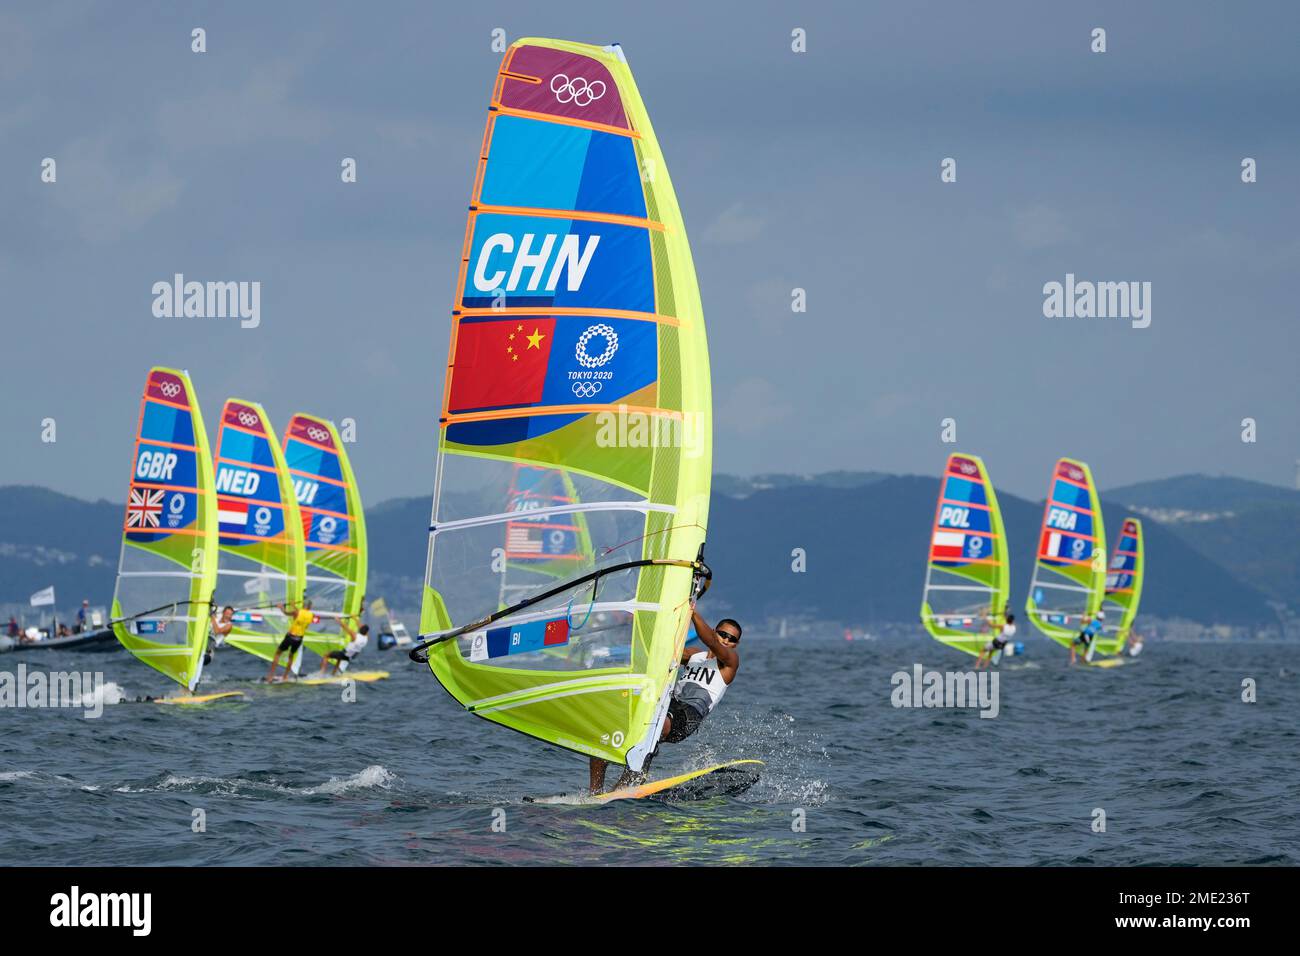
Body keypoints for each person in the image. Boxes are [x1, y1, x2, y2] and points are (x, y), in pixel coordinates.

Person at [588, 599, 741, 794]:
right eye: (723, 634)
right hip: (668, 704)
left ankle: (635, 775)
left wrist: (692, 613)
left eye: (732, 639)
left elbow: (710, 641)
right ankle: (595, 794)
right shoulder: (695, 656)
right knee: (608, 733)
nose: (726, 640)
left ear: (736, 644)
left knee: (655, 729)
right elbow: (665, 651)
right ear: (715, 631)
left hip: (688, 715)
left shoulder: (730, 662)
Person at [266, 599, 314, 682]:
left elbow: (286, 613)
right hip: (299, 639)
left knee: (278, 653)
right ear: (310, 606)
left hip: (290, 636)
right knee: (291, 656)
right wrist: (293, 605)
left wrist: (281, 607)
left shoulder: (298, 612)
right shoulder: (311, 615)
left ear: (303, 605)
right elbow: (305, 624)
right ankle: (285, 676)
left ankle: (270, 676)